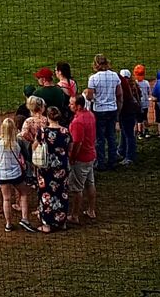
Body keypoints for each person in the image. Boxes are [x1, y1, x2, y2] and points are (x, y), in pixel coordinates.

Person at [31, 107, 72, 231]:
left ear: (48, 117)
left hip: (46, 168)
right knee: (62, 193)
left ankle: (47, 224)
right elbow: (70, 148)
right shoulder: (66, 131)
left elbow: (34, 147)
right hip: (62, 168)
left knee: (46, 194)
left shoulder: (42, 132)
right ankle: (62, 222)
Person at [0, 113, 32, 231]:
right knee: (23, 193)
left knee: (6, 199)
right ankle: (25, 219)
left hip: (2, 174)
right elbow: (27, 156)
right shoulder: (18, 141)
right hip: (16, 174)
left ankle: (8, 224)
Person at [85, 55, 122, 168]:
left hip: (99, 110)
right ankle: (112, 161)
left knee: (99, 137)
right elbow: (119, 93)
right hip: (112, 109)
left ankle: (100, 162)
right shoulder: (114, 75)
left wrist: (93, 95)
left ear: (95, 64)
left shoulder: (93, 78)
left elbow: (90, 97)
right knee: (111, 136)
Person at [66, 95, 97, 223]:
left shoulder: (77, 122)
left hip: (81, 158)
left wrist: (72, 158)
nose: (69, 106)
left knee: (76, 188)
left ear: (78, 106)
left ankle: (74, 215)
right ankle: (91, 210)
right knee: (90, 184)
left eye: (71, 104)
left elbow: (77, 143)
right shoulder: (90, 114)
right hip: (91, 155)